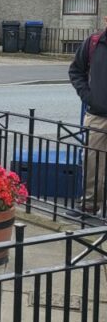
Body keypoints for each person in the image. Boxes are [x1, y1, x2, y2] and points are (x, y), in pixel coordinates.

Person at [69, 15, 107, 216]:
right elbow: (76, 70)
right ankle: (89, 206)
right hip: (97, 115)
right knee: (92, 163)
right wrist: (88, 96)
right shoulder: (93, 43)